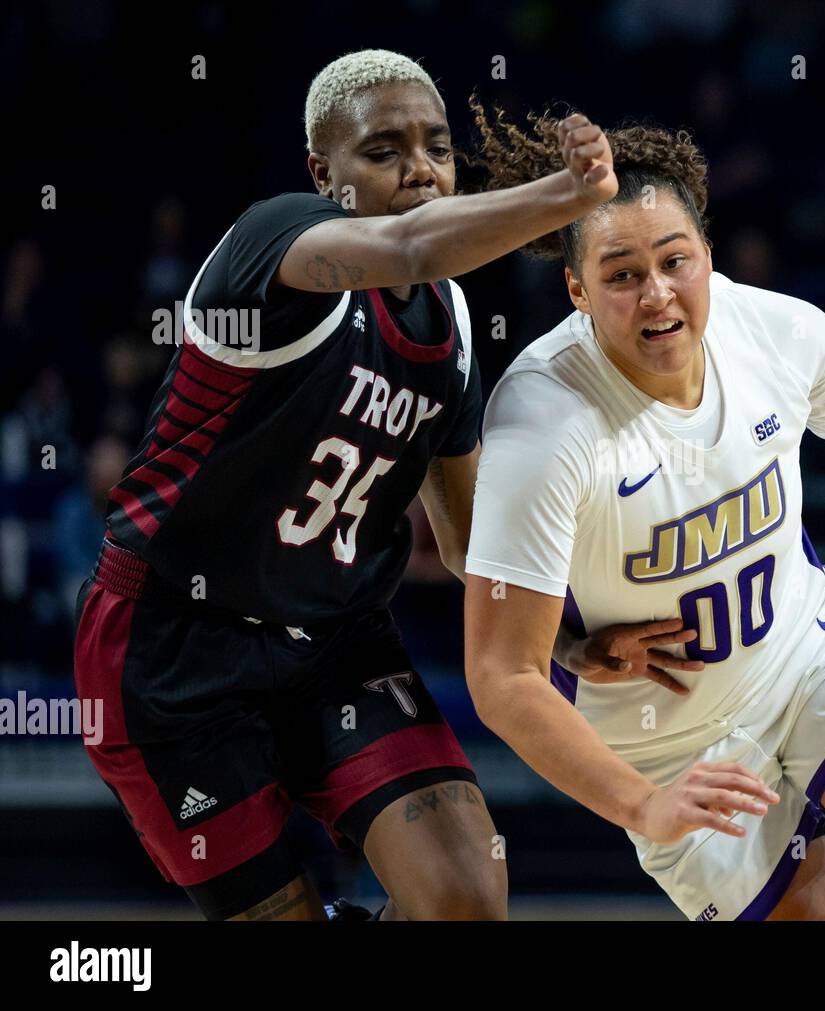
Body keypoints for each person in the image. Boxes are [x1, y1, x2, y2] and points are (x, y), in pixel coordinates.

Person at [71, 49, 639, 921]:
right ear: (321, 174)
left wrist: (564, 640)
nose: (421, 169)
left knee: (468, 900)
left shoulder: (448, 318)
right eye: (383, 151)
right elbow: (411, 241)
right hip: (173, 642)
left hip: (336, 642)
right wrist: (570, 194)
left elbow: (468, 540)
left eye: (438, 148)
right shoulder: (272, 242)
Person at [462, 107, 825, 920]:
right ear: (577, 289)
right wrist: (643, 803)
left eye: (675, 259)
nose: (657, 292)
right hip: (667, 747)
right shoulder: (543, 419)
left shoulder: (773, 330)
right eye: (622, 274)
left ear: (708, 254)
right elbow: (503, 675)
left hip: (814, 660)